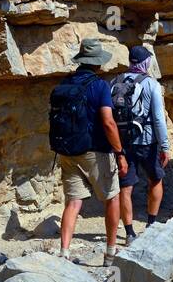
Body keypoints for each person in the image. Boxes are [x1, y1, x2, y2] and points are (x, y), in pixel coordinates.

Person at [53, 38, 128, 266]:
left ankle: (64, 253)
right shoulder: (100, 85)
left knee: (73, 202)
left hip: (67, 151)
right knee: (111, 197)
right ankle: (110, 252)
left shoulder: (64, 84)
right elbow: (108, 122)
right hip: (96, 152)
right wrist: (120, 152)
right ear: (97, 63)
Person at [111, 45, 171, 244]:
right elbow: (158, 119)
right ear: (146, 62)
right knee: (155, 179)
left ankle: (129, 234)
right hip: (147, 142)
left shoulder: (115, 82)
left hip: (123, 144)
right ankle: (151, 225)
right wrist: (164, 147)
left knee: (125, 188)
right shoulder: (151, 84)